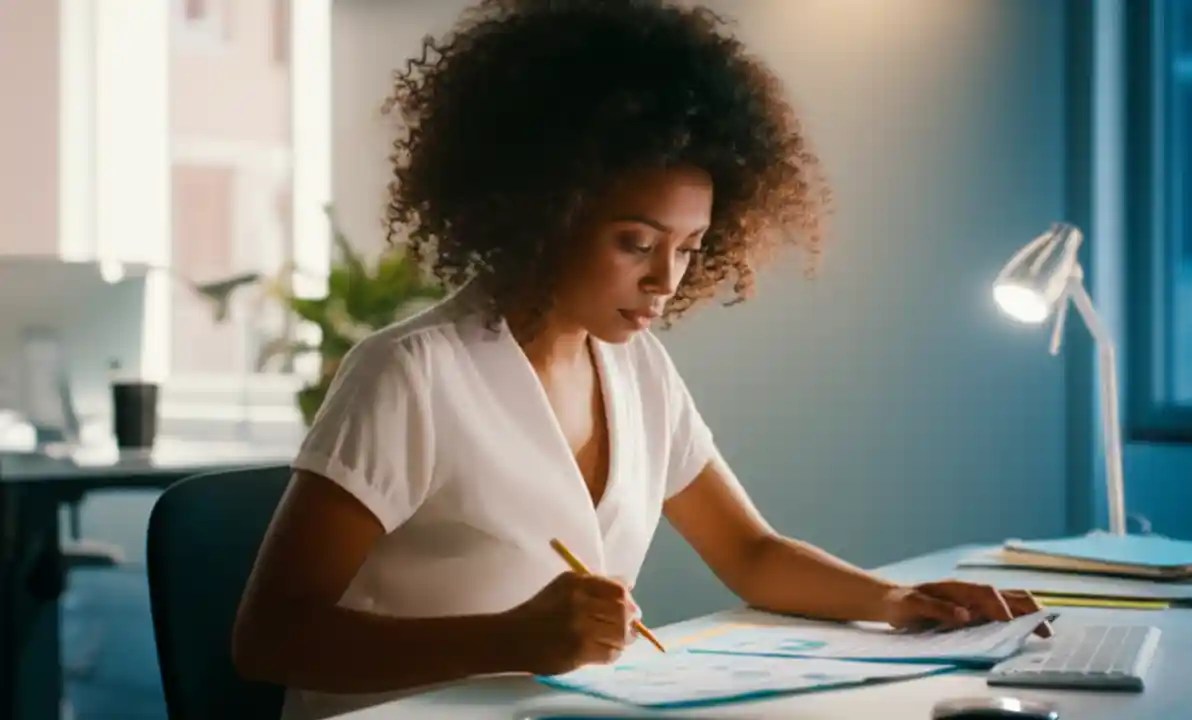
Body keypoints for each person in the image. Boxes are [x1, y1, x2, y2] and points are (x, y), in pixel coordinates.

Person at [232, 1, 1049, 718]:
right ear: (545, 213)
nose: (665, 280)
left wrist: (899, 601)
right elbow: (270, 640)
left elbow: (751, 553)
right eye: (635, 243)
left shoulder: (636, 367)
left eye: (690, 249)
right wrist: (508, 638)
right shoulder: (410, 374)